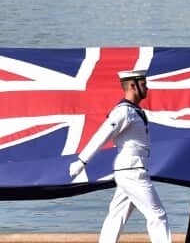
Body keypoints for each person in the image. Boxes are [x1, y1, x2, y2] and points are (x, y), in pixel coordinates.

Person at [68, 69, 171, 243]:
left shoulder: (133, 111)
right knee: (157, 215)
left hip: (131, 169)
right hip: (132, 170)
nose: (147, 88)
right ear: (132, 86)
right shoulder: (124, 112)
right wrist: (82, 161)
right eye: (143, 85)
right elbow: (102, 134)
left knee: (116, 215)